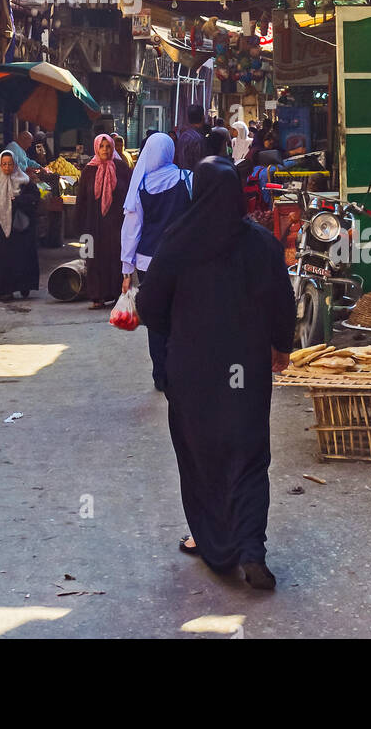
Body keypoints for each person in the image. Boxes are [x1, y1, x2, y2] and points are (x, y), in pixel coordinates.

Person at [137, 158, 296, 590]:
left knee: (201, 457)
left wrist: (171, 336)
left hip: (192, 370)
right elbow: (284, 301)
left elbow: (149, 306)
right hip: (244, 371)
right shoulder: (262, 244)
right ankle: (250, 549)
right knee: (247, 455)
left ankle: (214, 543)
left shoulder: (177, 241)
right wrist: (282, 345)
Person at [120, 132, 192, 392]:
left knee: (156, 318)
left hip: (148, 262)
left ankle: (160, 374)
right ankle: (181, 369)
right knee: (182, 314)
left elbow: (132, 229)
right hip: (183, 260)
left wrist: (126, 269)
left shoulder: (140, 186)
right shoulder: (187, 179)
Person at [74, 133, 131, 309]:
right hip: (92, 224)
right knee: (92, 258)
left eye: (108, 146)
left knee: (115, 258)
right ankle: (96, 296)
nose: (105, 150)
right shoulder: (89, 171)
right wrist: (79, 226)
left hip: (116, 224)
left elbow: (130, 195)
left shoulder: (122, 168)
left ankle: (115, 294)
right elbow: (82, 199)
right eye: (102, 146)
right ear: (96, 148)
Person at [0, 149, 40, 301]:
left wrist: (19, 201)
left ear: (15, 165)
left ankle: (24, 286)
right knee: (3, 261)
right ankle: (5, 291)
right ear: (0, 166)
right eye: (4, 164)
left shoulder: (25, 182)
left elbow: (35, 197)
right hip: (1, 232)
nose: (7, 167)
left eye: (10, 164)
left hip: (21, 231)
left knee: (22, 259)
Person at [174, 103, 207, 173]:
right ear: (203, 117)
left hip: (182, 176)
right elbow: (201, 164)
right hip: (194, 178)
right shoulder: (198, 139)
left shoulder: (183, 136)